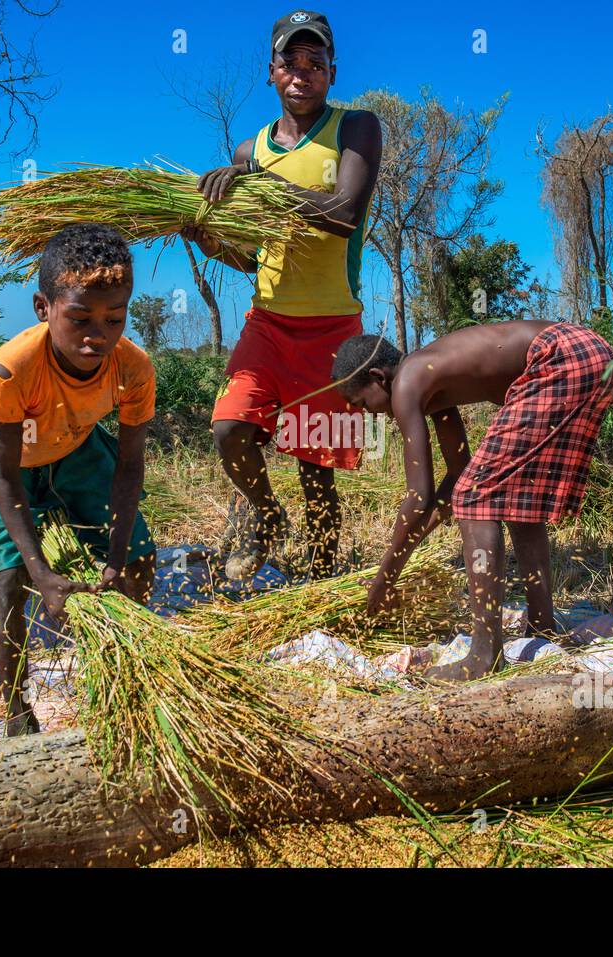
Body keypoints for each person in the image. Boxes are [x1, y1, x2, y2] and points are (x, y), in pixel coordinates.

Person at [181, 10, 381, 581]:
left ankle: (321, 580)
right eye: (289, 63)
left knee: (317, 465)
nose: (302, 74)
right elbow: (251, 259)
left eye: (314, 64)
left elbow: (343, 214)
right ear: (270, 72)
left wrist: (265, 186)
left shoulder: (356, 127)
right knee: (230, 427)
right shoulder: (250, 153)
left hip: (333, 327)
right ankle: (266, 517)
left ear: (332, 73)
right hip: (268, 322)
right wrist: (208, 239)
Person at [332, 321, 613, 681]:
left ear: (379, 378)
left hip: (560, 357)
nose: (367, 413)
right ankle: (542, 626)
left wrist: (384, 580)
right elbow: (458, 474)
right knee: (516, 502)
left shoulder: (407, 382)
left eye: (361, 402)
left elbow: (420, 496)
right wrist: (431, 523)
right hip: (587, 353)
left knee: (478, 498)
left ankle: (484, 655)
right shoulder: (429, 377)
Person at [0, 223, 157, 736]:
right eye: (79, 318)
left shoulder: (133, 368)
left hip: (76, 446)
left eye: (114, 318)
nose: (97, 335)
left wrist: (115, 559)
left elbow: (129, 465)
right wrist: (42, 572)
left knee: (139, 561)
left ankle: (119, 689)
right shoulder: (14, 368)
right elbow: (5, 475)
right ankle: (16, 711)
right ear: (43, 308)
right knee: (10, 581)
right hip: (6, 462)